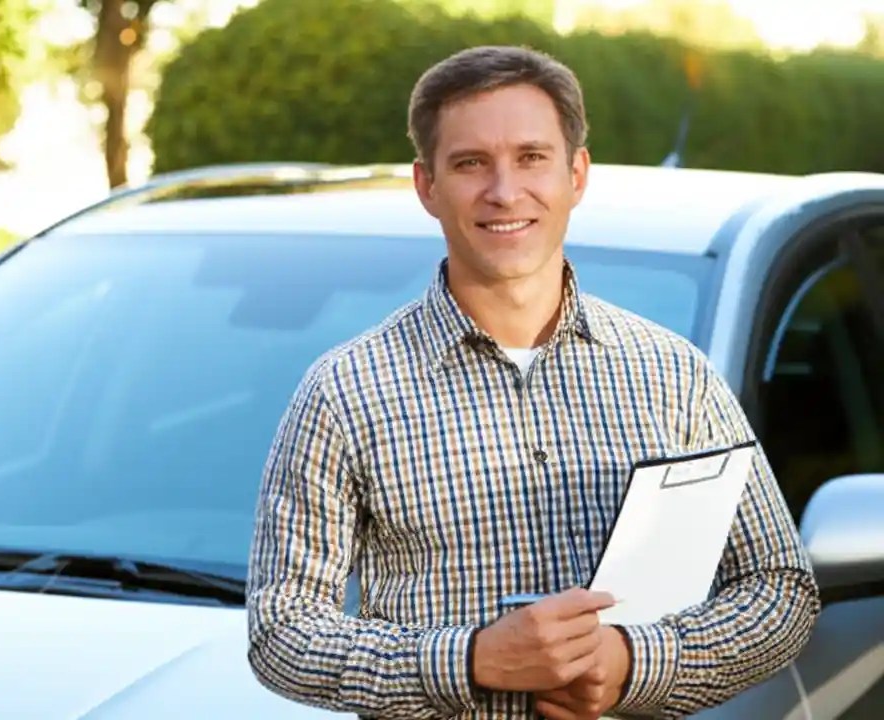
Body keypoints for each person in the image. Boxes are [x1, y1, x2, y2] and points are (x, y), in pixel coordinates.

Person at [244, 45, 820, 720]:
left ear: (576, 174)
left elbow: (780, 591)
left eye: (531, 157)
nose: (504, 192)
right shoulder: (345, 391)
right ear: (426, 185)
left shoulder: (674, 375)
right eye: (470, 163)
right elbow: (281, 629)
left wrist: (634, 662)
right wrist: (470, 660)